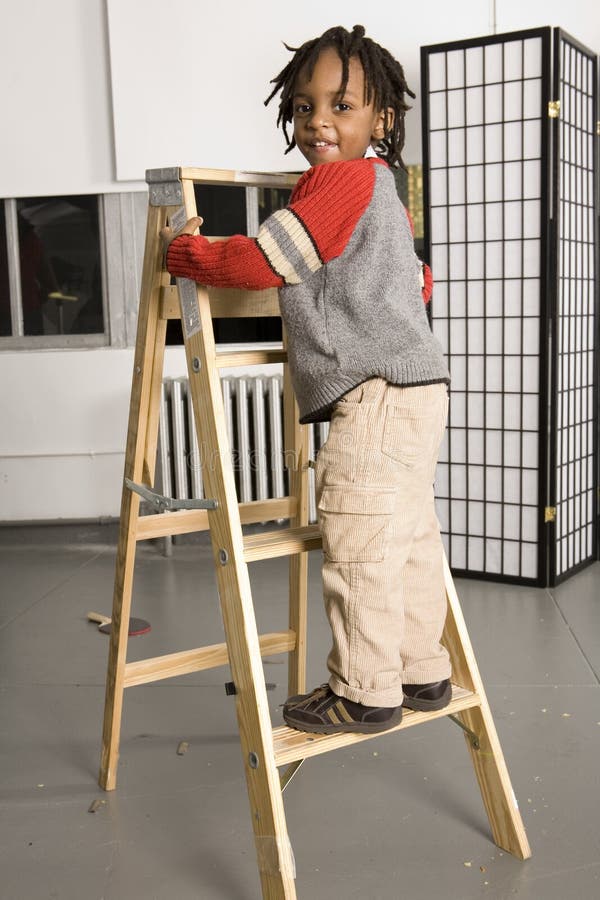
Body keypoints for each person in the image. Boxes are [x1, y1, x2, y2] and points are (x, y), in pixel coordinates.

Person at [161, 24, 451, 736]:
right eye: (301, 106)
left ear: (382, 117)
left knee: (355, 543)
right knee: (409, 539)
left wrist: (188, 254)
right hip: (419, 389)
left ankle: (363, 691)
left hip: (375, 394)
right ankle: (423, 671)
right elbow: (417, 278)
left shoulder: (339, 181)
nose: (317, 121)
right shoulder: (386, 183)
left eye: (341, 106)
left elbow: (262, 263)